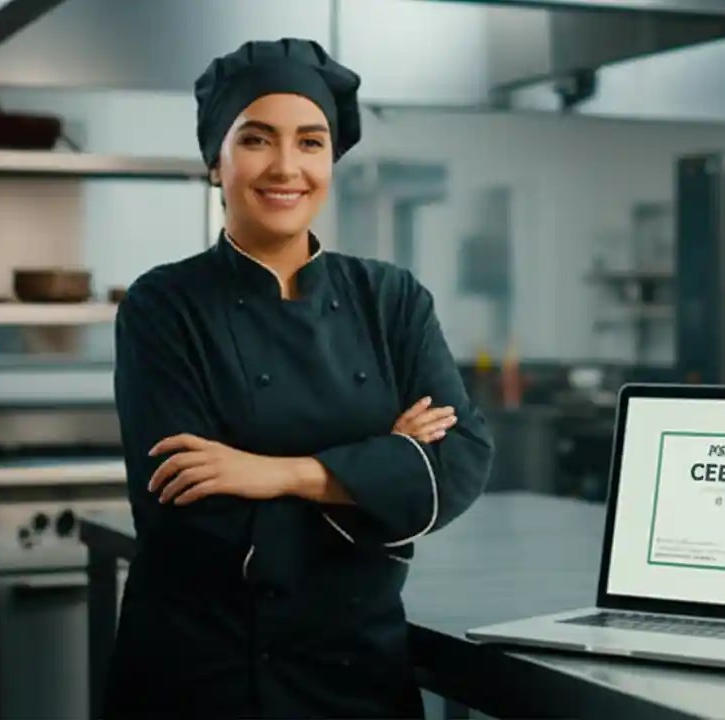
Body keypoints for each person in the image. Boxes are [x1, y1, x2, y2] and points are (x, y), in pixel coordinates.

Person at [104, 37, 495, 719]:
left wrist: (277, 475)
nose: (287, 166)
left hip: (360, 678)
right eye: (256, 139)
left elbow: (459, 463)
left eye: (311, 143)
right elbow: (190, 516)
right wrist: (383, 480)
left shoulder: (392, 299)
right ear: (213, 161)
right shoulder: (162, 306)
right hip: (205, 678)